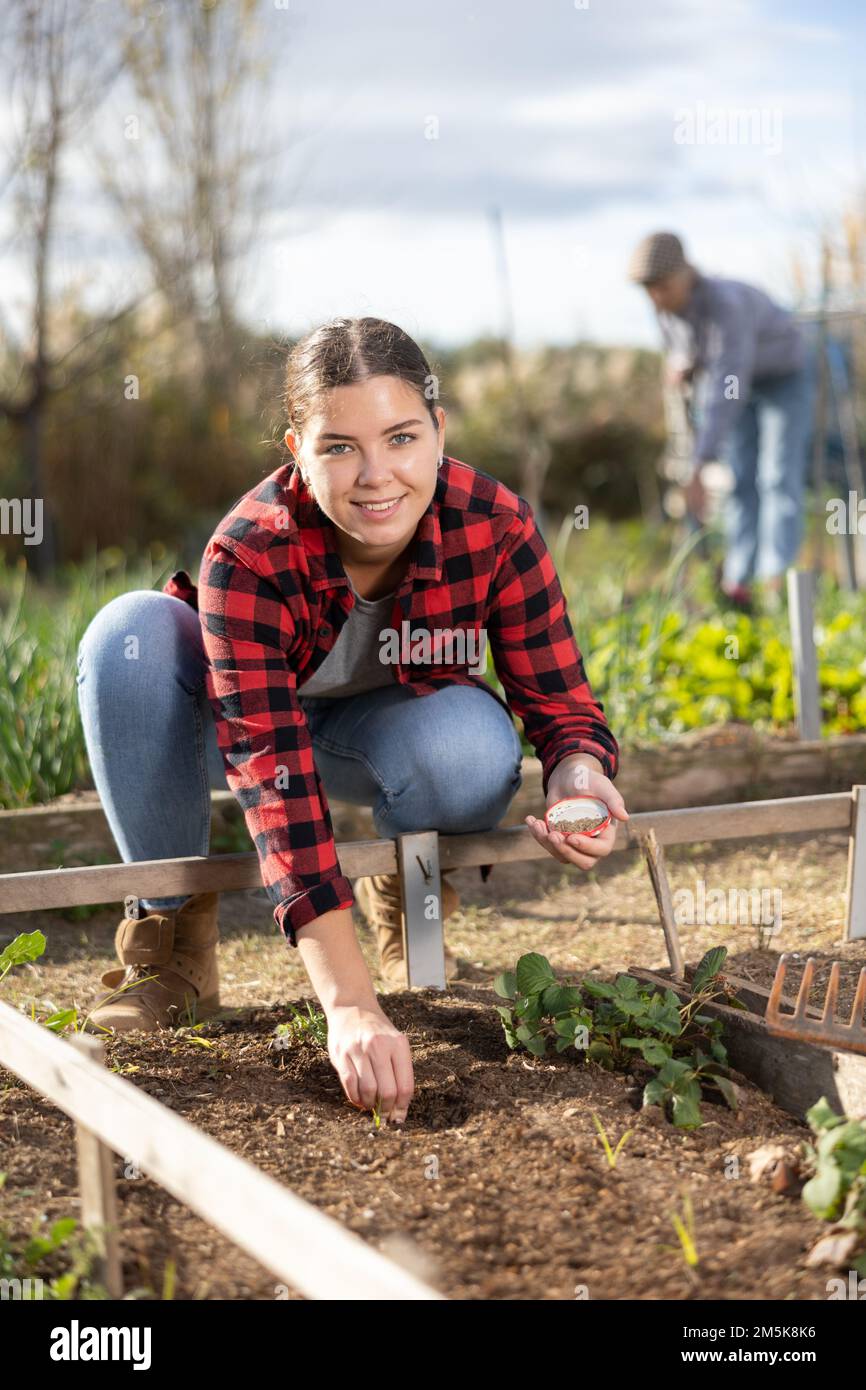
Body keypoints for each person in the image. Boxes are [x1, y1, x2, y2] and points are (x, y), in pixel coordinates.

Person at [76, 316, 627, 1123]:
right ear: (296, 447)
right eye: (339, 447)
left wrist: (579, 774)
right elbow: (272, 773)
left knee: (472, 746)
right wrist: (350, 1006)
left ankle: (413, 900)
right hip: (238, 727)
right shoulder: (250, 552)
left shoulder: (494, 524)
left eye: (401, 437)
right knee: (129, 636)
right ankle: (170, 946)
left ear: (438, 431)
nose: (376, 476)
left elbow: (561, 704)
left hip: (372, 735)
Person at [628, 231, 813, 607]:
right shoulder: (666, 312)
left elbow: (729, 381)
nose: (656, 297)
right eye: (649, 290)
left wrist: (700, 462)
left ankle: (778, 579)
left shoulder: (726, 304)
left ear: (684, 274)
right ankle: (739, 579)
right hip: (736, 386)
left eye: (661, 286)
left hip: (781, 378)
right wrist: (685, 365)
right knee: (741, 479)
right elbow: (692, 355)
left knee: (777, 475)